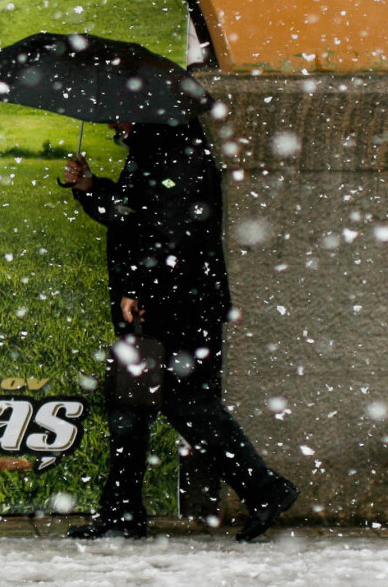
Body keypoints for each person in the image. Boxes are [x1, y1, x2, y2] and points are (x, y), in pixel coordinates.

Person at [60, 120, 297, 542]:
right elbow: (135, 214)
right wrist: (91, 188)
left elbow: (166, 229)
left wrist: (138, 287)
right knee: (131, 406)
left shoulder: (174, 152)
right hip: (165, 301)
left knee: (186, 403)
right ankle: (123, 512)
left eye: (118, 115)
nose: (111, 122)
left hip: (178, 304)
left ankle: (265, 489)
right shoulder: (152, 150)